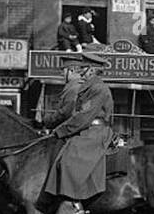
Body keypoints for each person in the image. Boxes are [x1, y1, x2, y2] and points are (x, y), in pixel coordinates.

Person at [41, 51, 114, 204]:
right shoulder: (89, 88)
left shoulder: (99, 89)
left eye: (84, 68)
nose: (81, 72)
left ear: (93, 70)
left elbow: (83, 117)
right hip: (88, 130)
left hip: (96, 132)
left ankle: (73, 205)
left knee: (69, 159)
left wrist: (60, 131)